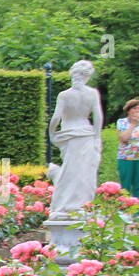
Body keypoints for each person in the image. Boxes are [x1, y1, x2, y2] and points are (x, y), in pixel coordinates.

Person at [47, 59, 103, 219]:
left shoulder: (64, 95)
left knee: (71, 171)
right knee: (82, 172)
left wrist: (51, 133)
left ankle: (66, 206)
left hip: (70, 134)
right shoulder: (92, 94)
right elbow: (98, 117)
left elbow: (56, 118)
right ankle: (79, 206)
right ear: (87, 77)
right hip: (86, 134)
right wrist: (96, 138)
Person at [115, 98, 139, 199]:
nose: (137, 111)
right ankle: (125, 210)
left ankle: (136, 210)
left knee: (138, 184)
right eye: (135, 108)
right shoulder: (121, 122)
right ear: (128, 110)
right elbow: (123, 139)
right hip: (126, 157)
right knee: (125, 185)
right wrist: (133, 125)